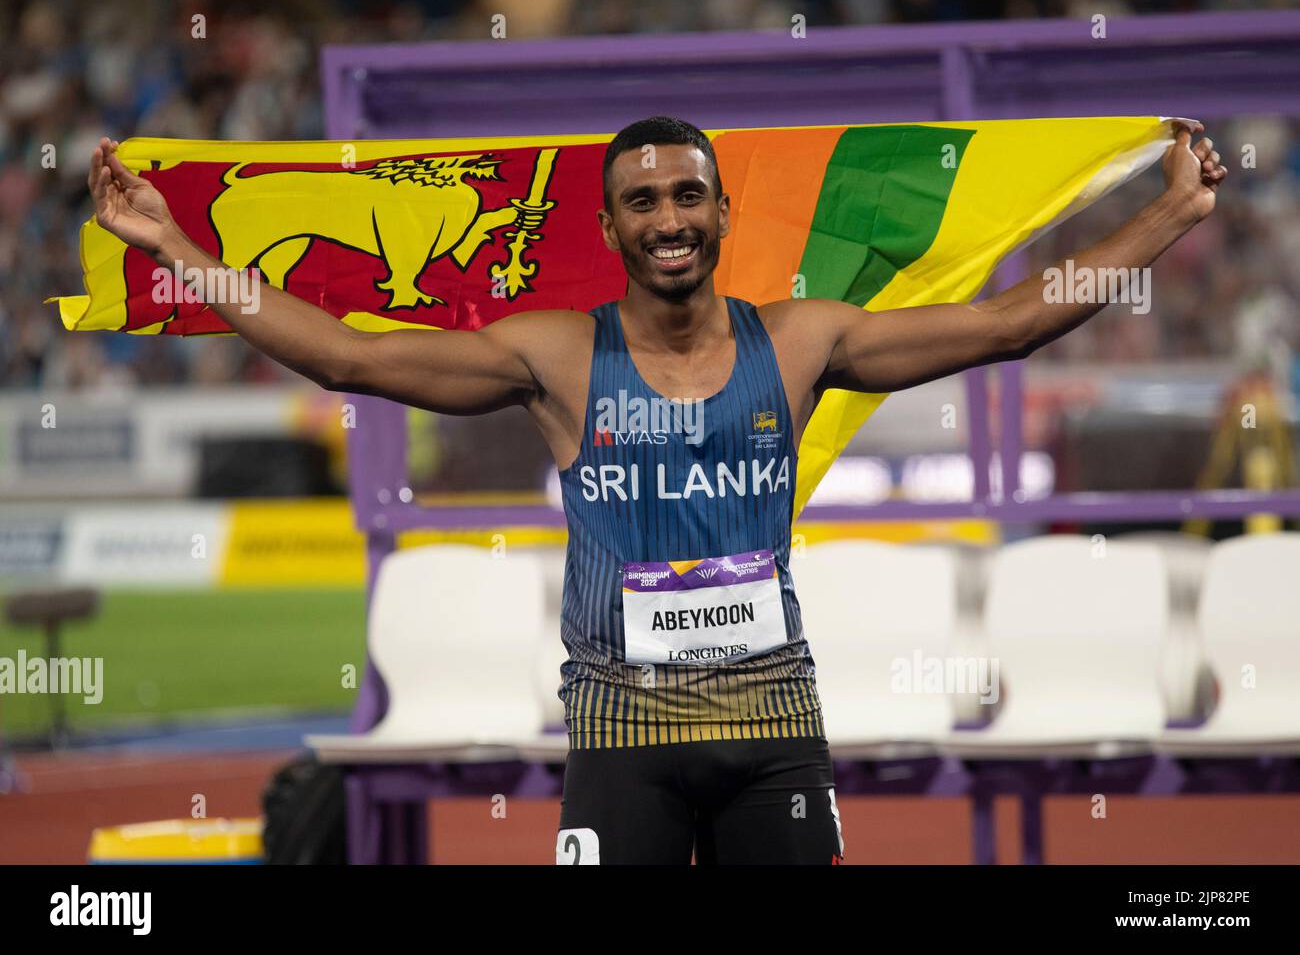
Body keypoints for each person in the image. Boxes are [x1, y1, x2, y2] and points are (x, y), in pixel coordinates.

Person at [86, 115, 1226, 865]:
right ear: (609, 226)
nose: (669, 217)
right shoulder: (556, 358)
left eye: (688, 195)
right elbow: (352, 357)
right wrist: (174, 244)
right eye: (643, 201)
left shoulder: (799, 340)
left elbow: (1007, 323)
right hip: (621, 738)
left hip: (775, 732)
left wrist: (1168, 211)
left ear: (723, 214)